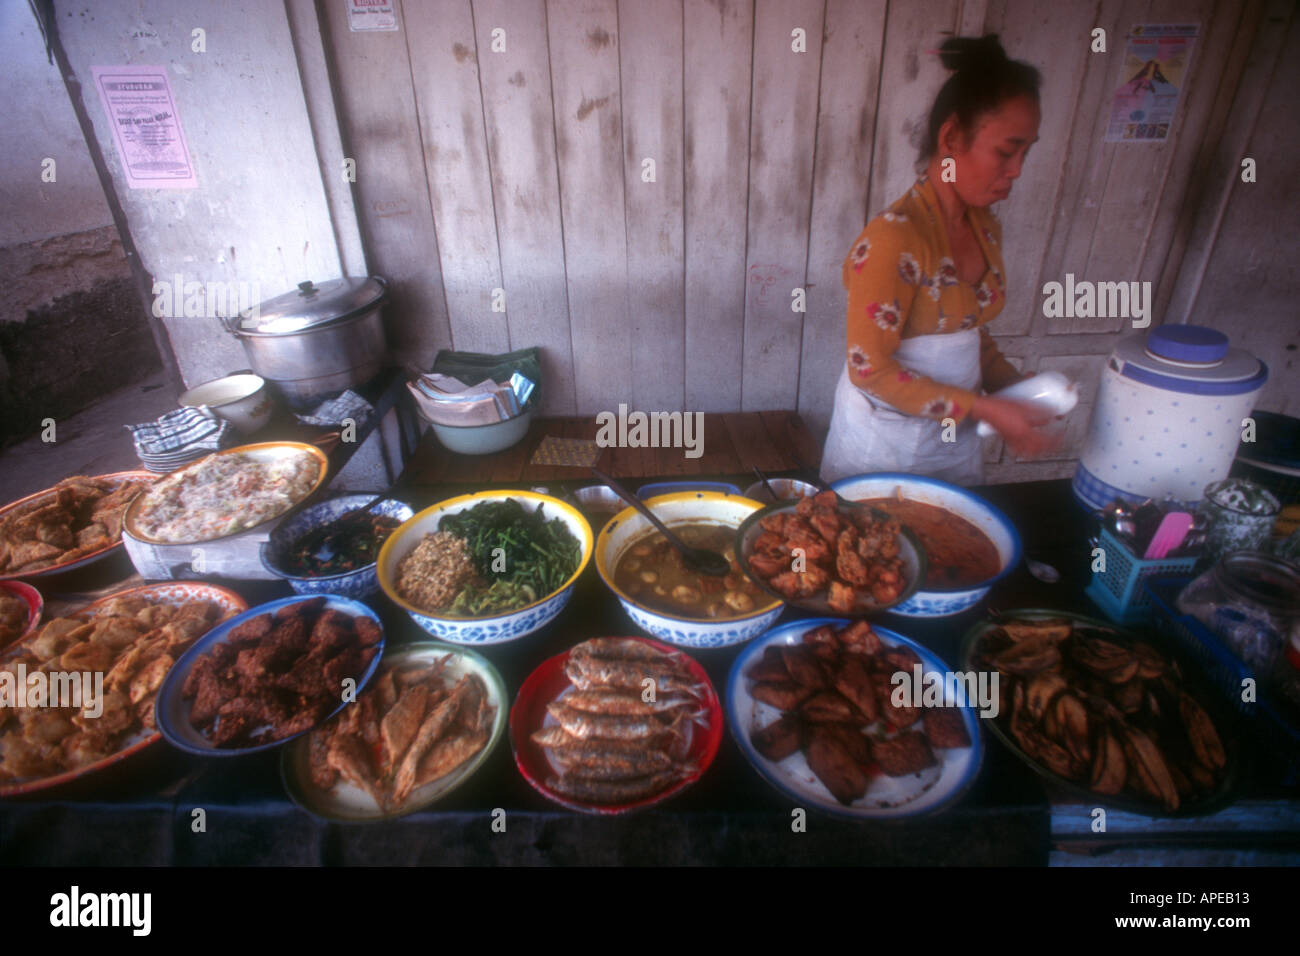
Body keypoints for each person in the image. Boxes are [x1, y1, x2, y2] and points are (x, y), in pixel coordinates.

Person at [820, 34, 1056, 486]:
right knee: (871, 551)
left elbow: (965, 330)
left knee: (952, 547)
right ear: (950, 138)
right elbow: (870, 369)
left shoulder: (984, 227)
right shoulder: (895, 239)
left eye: (1027, 151)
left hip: (950, 442)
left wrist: (1011, 388)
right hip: (883, 446)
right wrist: (985, 408)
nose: (1018, 170)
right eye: (1006, 152)